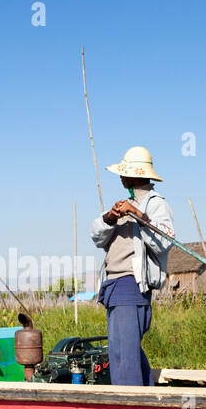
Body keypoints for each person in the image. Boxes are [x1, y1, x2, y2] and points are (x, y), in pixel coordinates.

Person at [89, 146, 174, 386]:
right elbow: (96, 237)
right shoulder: (122, 204)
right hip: (113, 284)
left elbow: (164, 241)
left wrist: (138, 215)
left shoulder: (155, 204)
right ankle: (148, 399)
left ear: (134, 175)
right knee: (122, 351)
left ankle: (129, 407)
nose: (120, 177)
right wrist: (110, 218)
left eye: (123, 173)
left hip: (131, 283)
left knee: (124, 356)